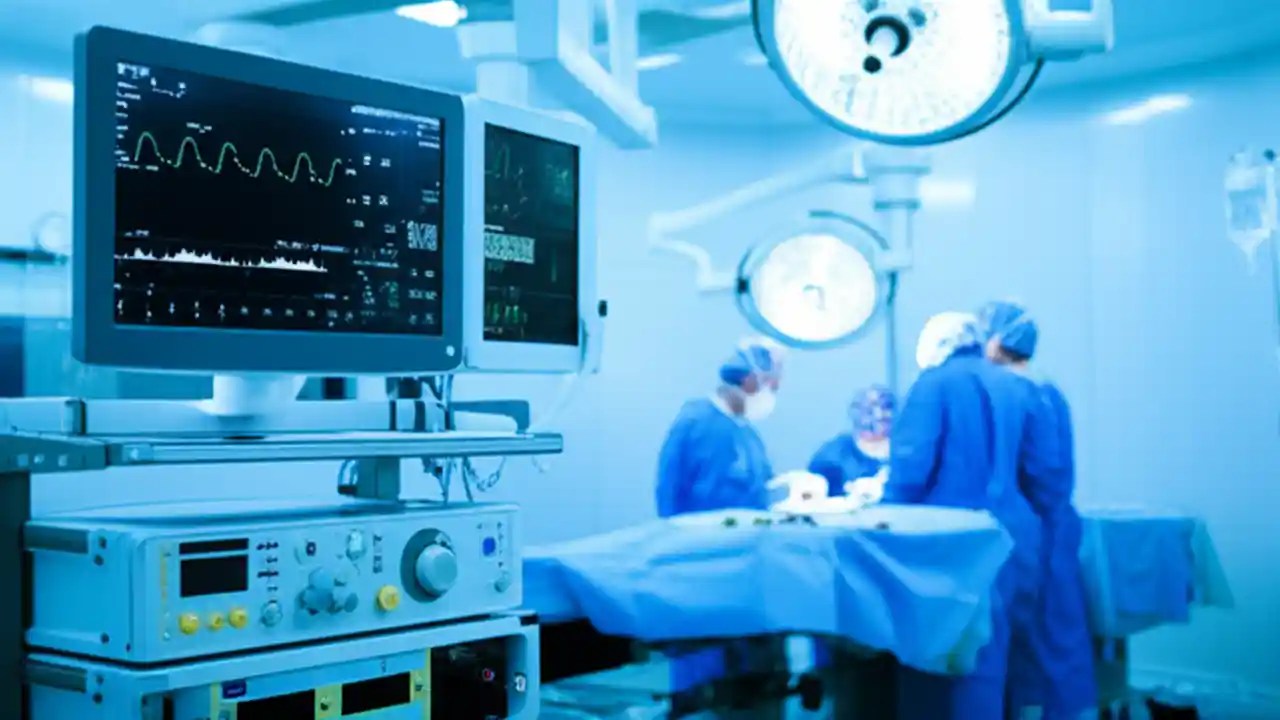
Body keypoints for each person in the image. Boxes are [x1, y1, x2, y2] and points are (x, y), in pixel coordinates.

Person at [884, 311, 1049, 720]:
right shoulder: (1018, 387)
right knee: (1006, 654)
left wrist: (880, 516)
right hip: (1016, 537)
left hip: (953, 541)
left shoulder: (933, 384)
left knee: (955, 658)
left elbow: (910, 467)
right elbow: (1044, 472)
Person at [654, 337, 787, 713]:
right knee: (702, 675)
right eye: (772, 385)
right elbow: (670, 497)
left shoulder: (745, 430)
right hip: (702, 566)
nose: (773, 394)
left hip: (747, 565)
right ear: (750, 382)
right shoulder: (695, 422)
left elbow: (755, 489)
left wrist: (788, 492)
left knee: (749, 684)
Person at [979, 301, 1097, 720]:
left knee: (1048, 635)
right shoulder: (1038, 389)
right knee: (1045, 636)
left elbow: (1046, 475)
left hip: (1038, 530)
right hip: (1041, 525)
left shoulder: (1025, 393)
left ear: (994, 340)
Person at [807, 385, 896, 498]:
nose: (880, 415)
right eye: (870, 408)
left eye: (887, 407)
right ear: (854, 411)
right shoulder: (831, 456)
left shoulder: (909, 453)